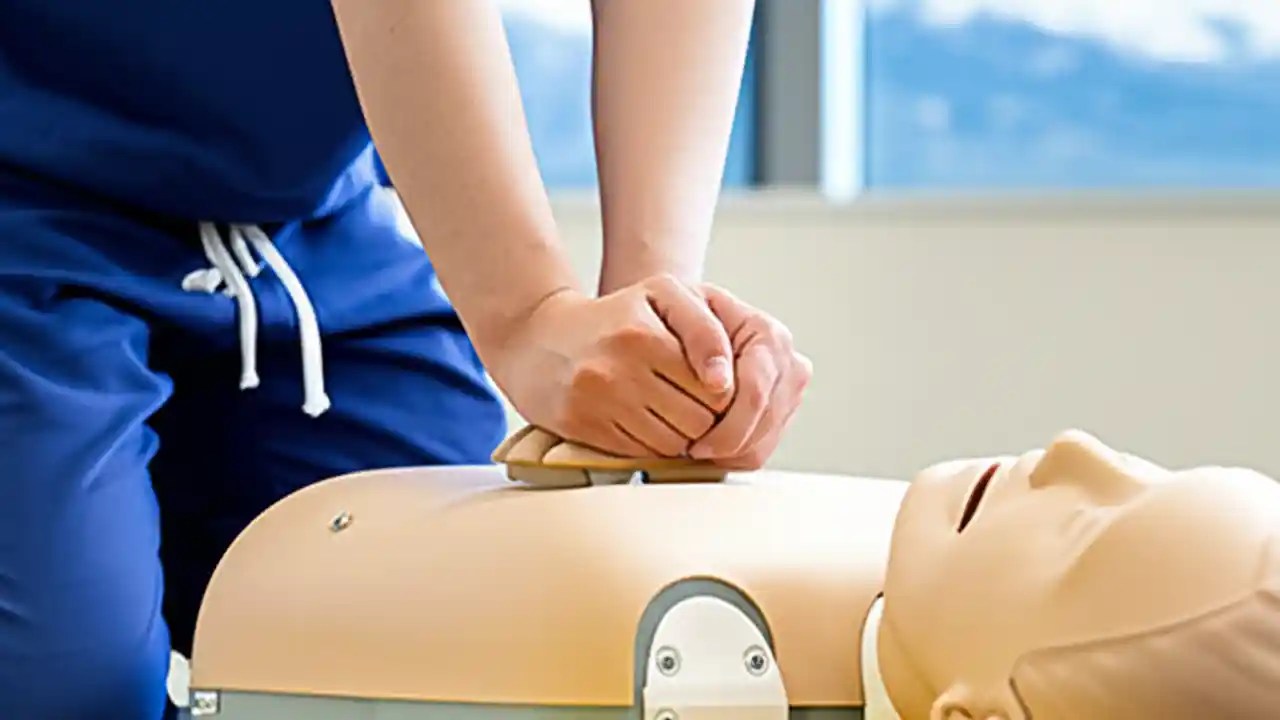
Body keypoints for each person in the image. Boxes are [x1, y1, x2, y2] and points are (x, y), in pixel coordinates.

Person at [0, 1, 811, 718]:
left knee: (475, 637)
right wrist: (528, 316)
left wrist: (658, 317)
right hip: (24, 195)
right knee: (70, 686)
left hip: (300, 226)